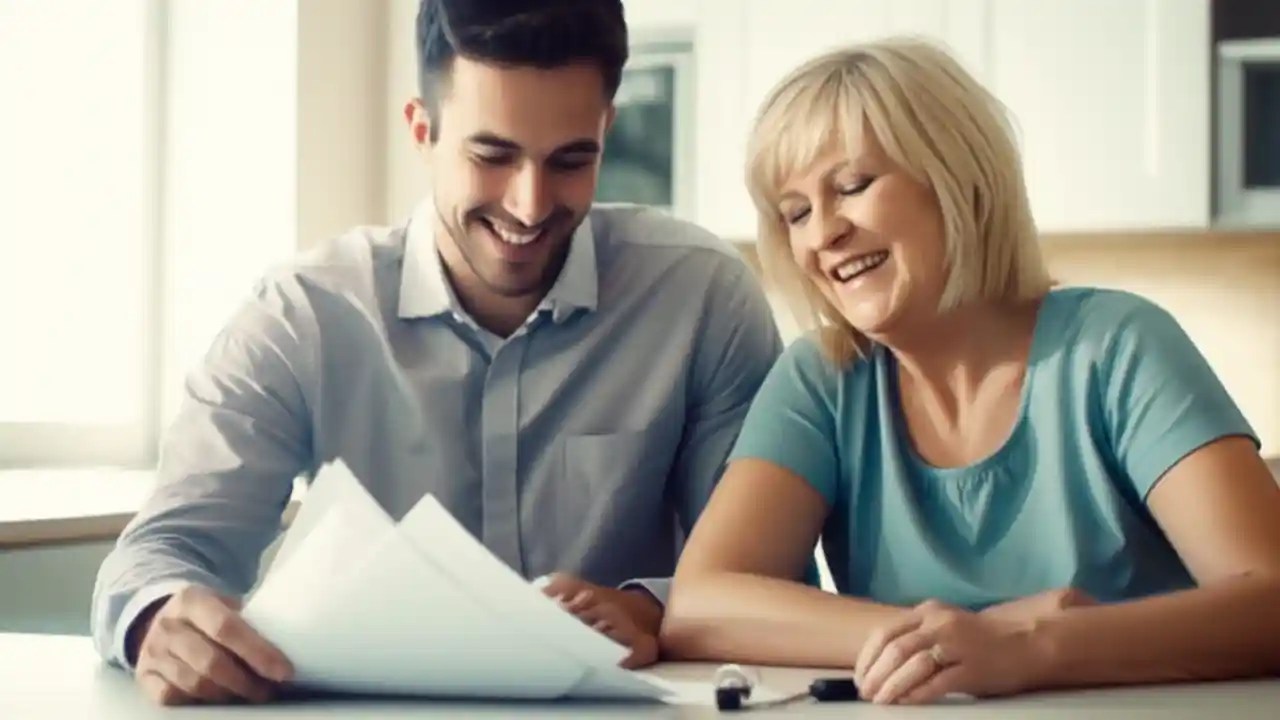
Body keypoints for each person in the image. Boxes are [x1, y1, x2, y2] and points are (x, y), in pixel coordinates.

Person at [91, 0, 782, 706]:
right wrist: (159, 620)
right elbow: (160, 553)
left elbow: (771, 576)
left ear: (606, 130)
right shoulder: (304, 314)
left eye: (571, 160)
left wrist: (653, 608)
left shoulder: (701, 298)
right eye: (492, 156)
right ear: (422, 131)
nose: (530, 204)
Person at [659, 37, 1280, 705]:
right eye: (797, 213)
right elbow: (699, 607)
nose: (823, 234)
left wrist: (1033, 647)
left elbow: (1269, 601)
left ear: (960, 178)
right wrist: (954, 642)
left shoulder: (1115, 347)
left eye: (853, 187)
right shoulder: (823, 380)